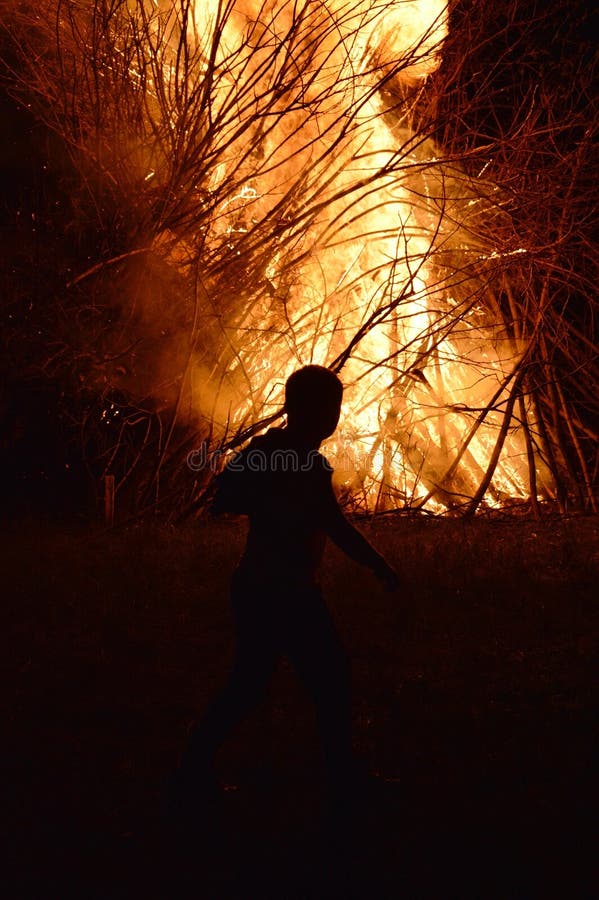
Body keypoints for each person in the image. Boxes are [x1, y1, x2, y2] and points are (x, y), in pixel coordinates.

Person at [171, 365, 399, 818]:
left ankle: (192, 771)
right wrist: (378, 566)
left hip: (268, 587)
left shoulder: (287, 454)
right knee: (323, 678)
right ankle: (341, 780)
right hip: (280, 591)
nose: (334, 417)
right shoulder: (288, 456)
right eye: (330, 408)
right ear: (308, 410)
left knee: (261, 682)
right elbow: (330, 524)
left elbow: (231, 494)